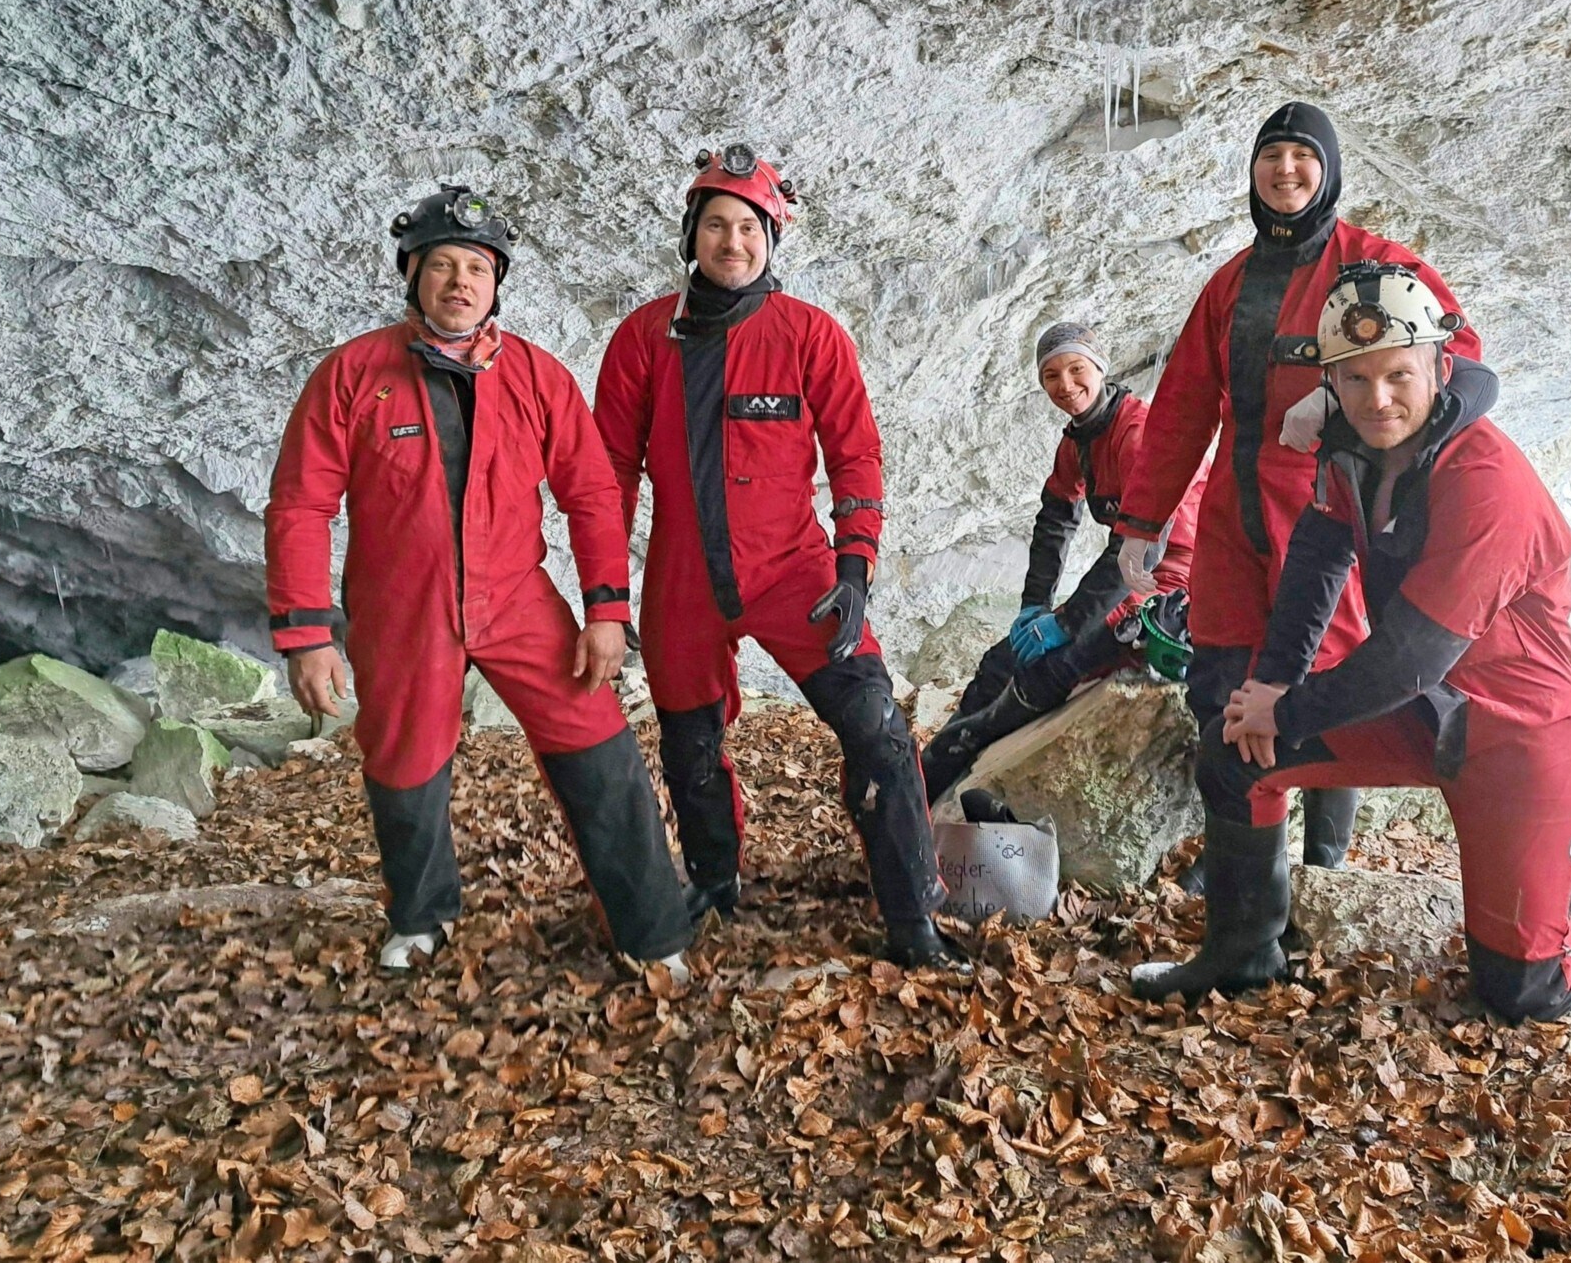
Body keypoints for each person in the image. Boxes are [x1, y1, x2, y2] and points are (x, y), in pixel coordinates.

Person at [1131, 263, 1571, 1016]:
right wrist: (1272, 682)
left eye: (1397, 375)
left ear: (1439, 366)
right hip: (1423, 713)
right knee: (1235, 757)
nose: (1376, 398)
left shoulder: (1488, 485)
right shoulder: (1352, 446)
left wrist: (1285, 710)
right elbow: (1319, 560)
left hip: (1518, 734)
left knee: (1526, 991)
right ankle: (1242, 954)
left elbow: (1409, 657)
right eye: (1353, 379)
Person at [266, 185, 696, 978]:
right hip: (403, 609)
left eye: (476, 267)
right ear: (412, 278)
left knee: (600, 749)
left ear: (496, 283)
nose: (459, 282)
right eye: (440, 266)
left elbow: (592, 494)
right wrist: (306, 633)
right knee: (404, 764)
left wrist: (605, 611)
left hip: (518, 599)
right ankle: (421, 915)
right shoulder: (355, 374)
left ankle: (654, 930)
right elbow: (300, 503)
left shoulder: (536, 376)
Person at [595, 146, 951, 966]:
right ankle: (716, 880)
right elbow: (605, 471)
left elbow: (856, 454)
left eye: (749, 226)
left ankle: (912, 916)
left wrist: (855, 567)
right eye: (716, 224)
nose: (733, 240)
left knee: (879, 732)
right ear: (692, 236)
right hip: (684, 580)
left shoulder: (810, 335)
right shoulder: (644, 337)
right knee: (688, 746)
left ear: (771, 237)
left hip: (797, 573)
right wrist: (607, 592)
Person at [1115, 101, 1481, 872]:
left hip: (1325, 510)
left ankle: (1324, 865)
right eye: (1271, 156)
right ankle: (1248, 869)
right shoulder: (1230, 284)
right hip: (1230, 515)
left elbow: (1464, 363)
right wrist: (1142, 519)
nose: (1286, 171)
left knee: (1319, 685)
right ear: (1252, 174)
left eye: (1303, 157)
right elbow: (1181, 405)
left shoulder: (1376, 265)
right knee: (1223, 679)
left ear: (1330, 170)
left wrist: (1345, 407)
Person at [919, 321, 1206, 803]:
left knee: (1052, 670)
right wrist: (1034, 606)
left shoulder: (1137, 433)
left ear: (1100, 369)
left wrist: (1067, 623)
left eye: (1077, 369)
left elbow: (1145, 549)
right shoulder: (1080, 440)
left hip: (1175, 582)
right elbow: (1055, 519)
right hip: (1136, 570)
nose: (1066, 386)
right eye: (1051, 375)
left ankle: (944, 774)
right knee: (1001, 662)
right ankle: (929, 779)